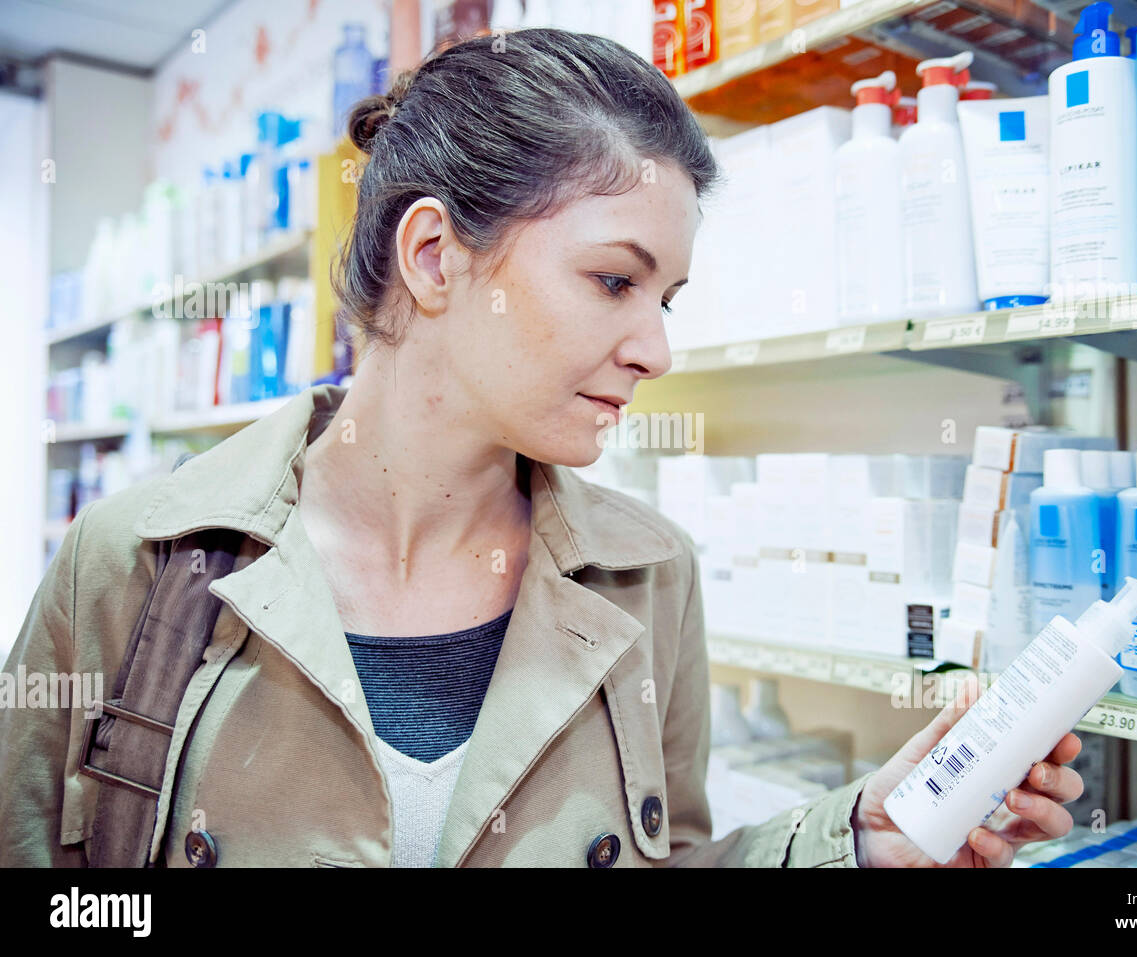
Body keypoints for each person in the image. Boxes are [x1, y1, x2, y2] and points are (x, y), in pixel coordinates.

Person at [0, 27, 1081, 868]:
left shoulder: (649, 579)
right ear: (432, 255)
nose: (655, 347)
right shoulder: (135, 563)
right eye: (614, 281)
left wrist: (853, 838)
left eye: (666, 296)